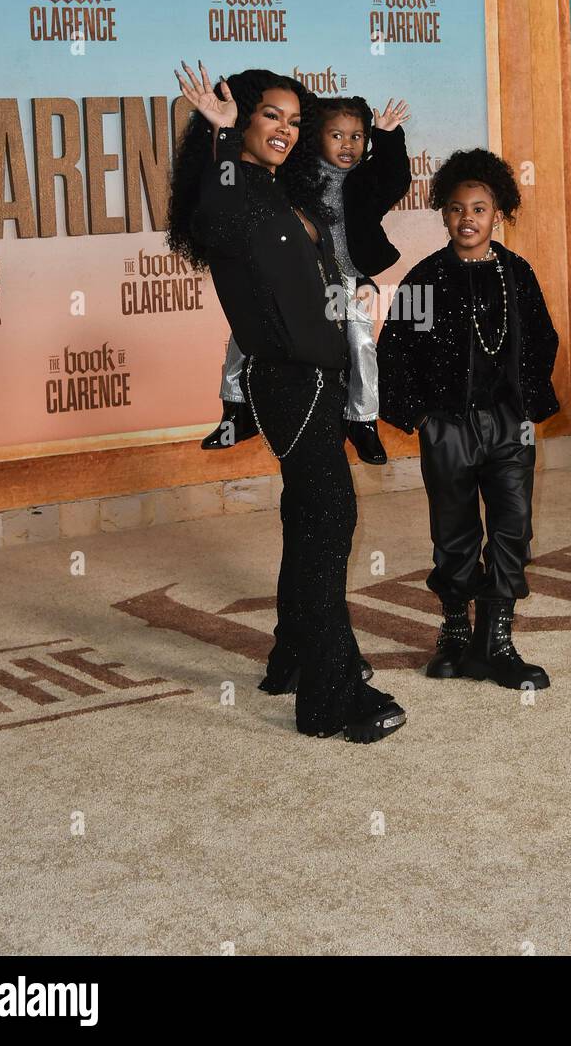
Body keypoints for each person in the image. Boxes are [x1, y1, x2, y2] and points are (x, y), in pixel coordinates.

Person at [167, 61, 405, 743]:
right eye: (269, 113)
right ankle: (333, 697)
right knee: (330, 521)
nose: (285, 128)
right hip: (290, 382)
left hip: (322, 379)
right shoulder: (229, 194)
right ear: (237, 116)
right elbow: (211, 214)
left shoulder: (278, 194)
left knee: (310, 518)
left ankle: (293, 656)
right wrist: (214, 139)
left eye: (294, 119)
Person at [377, 148, 560, 690]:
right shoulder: (426, 277)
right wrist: (422, 417)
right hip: (449, 427)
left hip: (509, 425)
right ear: (442, 214)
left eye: (479, 209)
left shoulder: (516, 273)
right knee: (454, 531)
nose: (467, 219)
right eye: (457, 209)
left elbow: (543, 339)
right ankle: (456, 630)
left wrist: (524, 404)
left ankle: (496, 639)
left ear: (497, 213)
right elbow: (395, 350)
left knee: (512, 525)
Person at [202, 95, 412, 463]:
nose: (347, 145)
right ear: (316, 137)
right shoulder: (295, 176)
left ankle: (362, 421)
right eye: (337, 136)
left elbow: (395, 179)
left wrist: (389, 135)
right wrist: (227, 134)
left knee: (361, 340)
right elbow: (241, 182)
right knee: (245, 327)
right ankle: (236, 411)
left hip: (344, 279)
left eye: (357, 137)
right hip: (296, 276)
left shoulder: (366, 183)